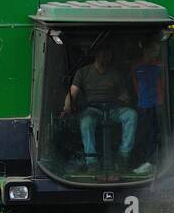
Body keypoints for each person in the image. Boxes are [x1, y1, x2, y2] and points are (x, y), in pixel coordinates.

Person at [66, 44, 138, 172]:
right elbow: (72, 93)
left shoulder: (115, 74)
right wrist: (66, 108)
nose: (106, 58)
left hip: (113, 109)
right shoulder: (83, 72)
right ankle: (91, 161)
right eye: (103, 55)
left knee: (131, 115)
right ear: (96, 55)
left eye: (108, 56)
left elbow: (125, 96)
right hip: (93, 110)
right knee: (86, 122)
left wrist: (124, 99)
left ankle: (123, 156)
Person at [129, 38, 164, 176]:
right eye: (154, 50)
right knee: (144, 135)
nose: (156, 53)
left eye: (158, 51)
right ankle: (145, 162)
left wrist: (160, 102)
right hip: (143, 105)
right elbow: (136, 87)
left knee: (154, 135)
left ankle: (151, 163)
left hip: (158, 105)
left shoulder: (160, 66)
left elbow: (164, 85)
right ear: (146, 50)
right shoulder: (136, 67)